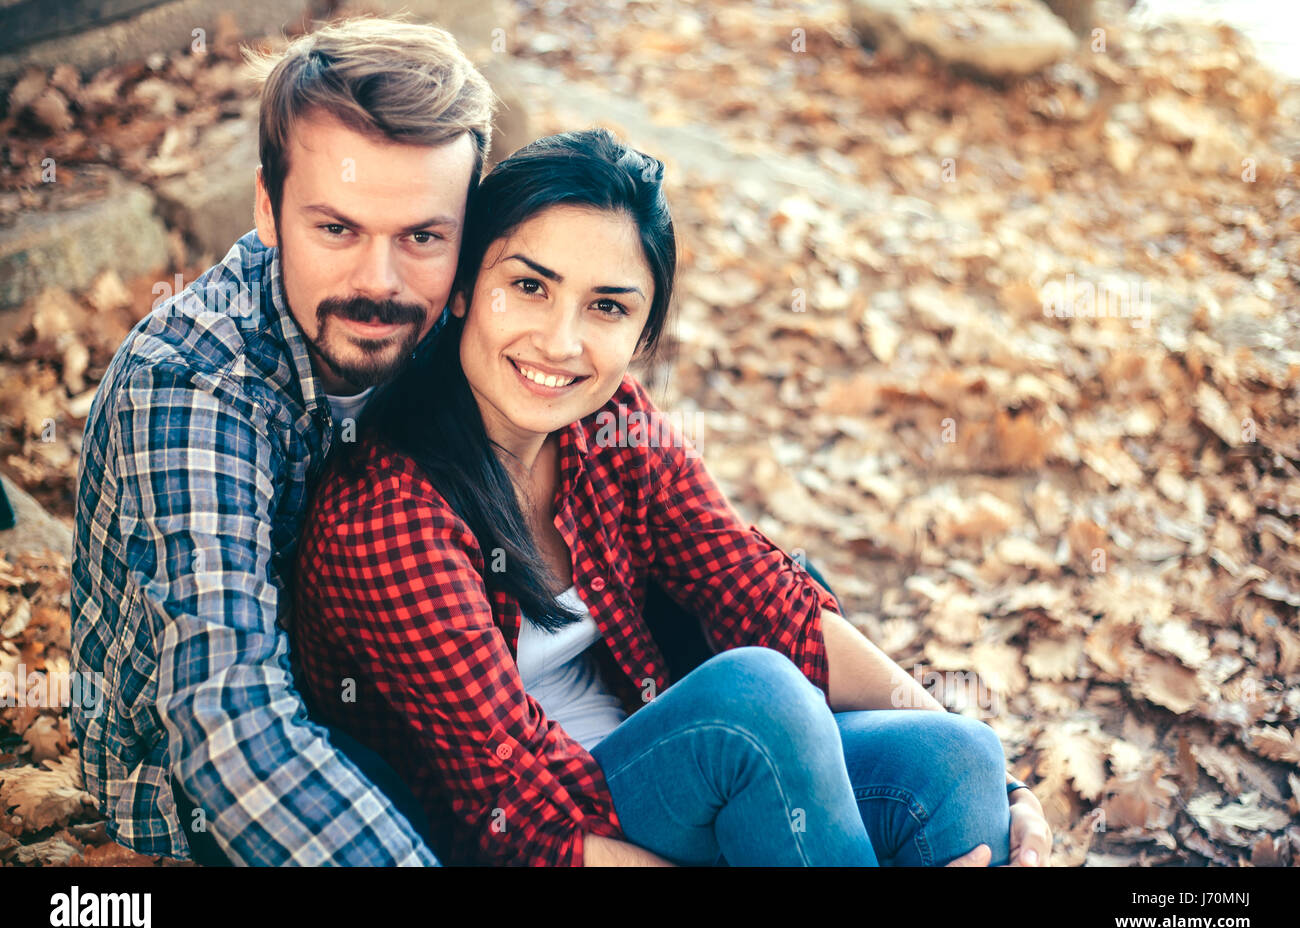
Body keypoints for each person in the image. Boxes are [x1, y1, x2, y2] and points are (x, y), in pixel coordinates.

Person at [290, 128, 1054, 866]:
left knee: (960, 761)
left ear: (642, 333)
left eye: (607, 307)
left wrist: (1012, 782)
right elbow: (511, 819)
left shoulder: (611, 423)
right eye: (529, 287)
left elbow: (765, 601)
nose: (561, 342)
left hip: (658, 780)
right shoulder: (386, 515)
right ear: (462, 293)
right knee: (756, 704)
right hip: (533, 839)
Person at [68, 16, 497, 865]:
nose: (379, 283)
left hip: (407, 691)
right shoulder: (190, 383)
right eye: (335, 229)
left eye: (421, 235)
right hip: (199, 790)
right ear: (267, 206)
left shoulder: (464, 311)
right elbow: (229, 723)